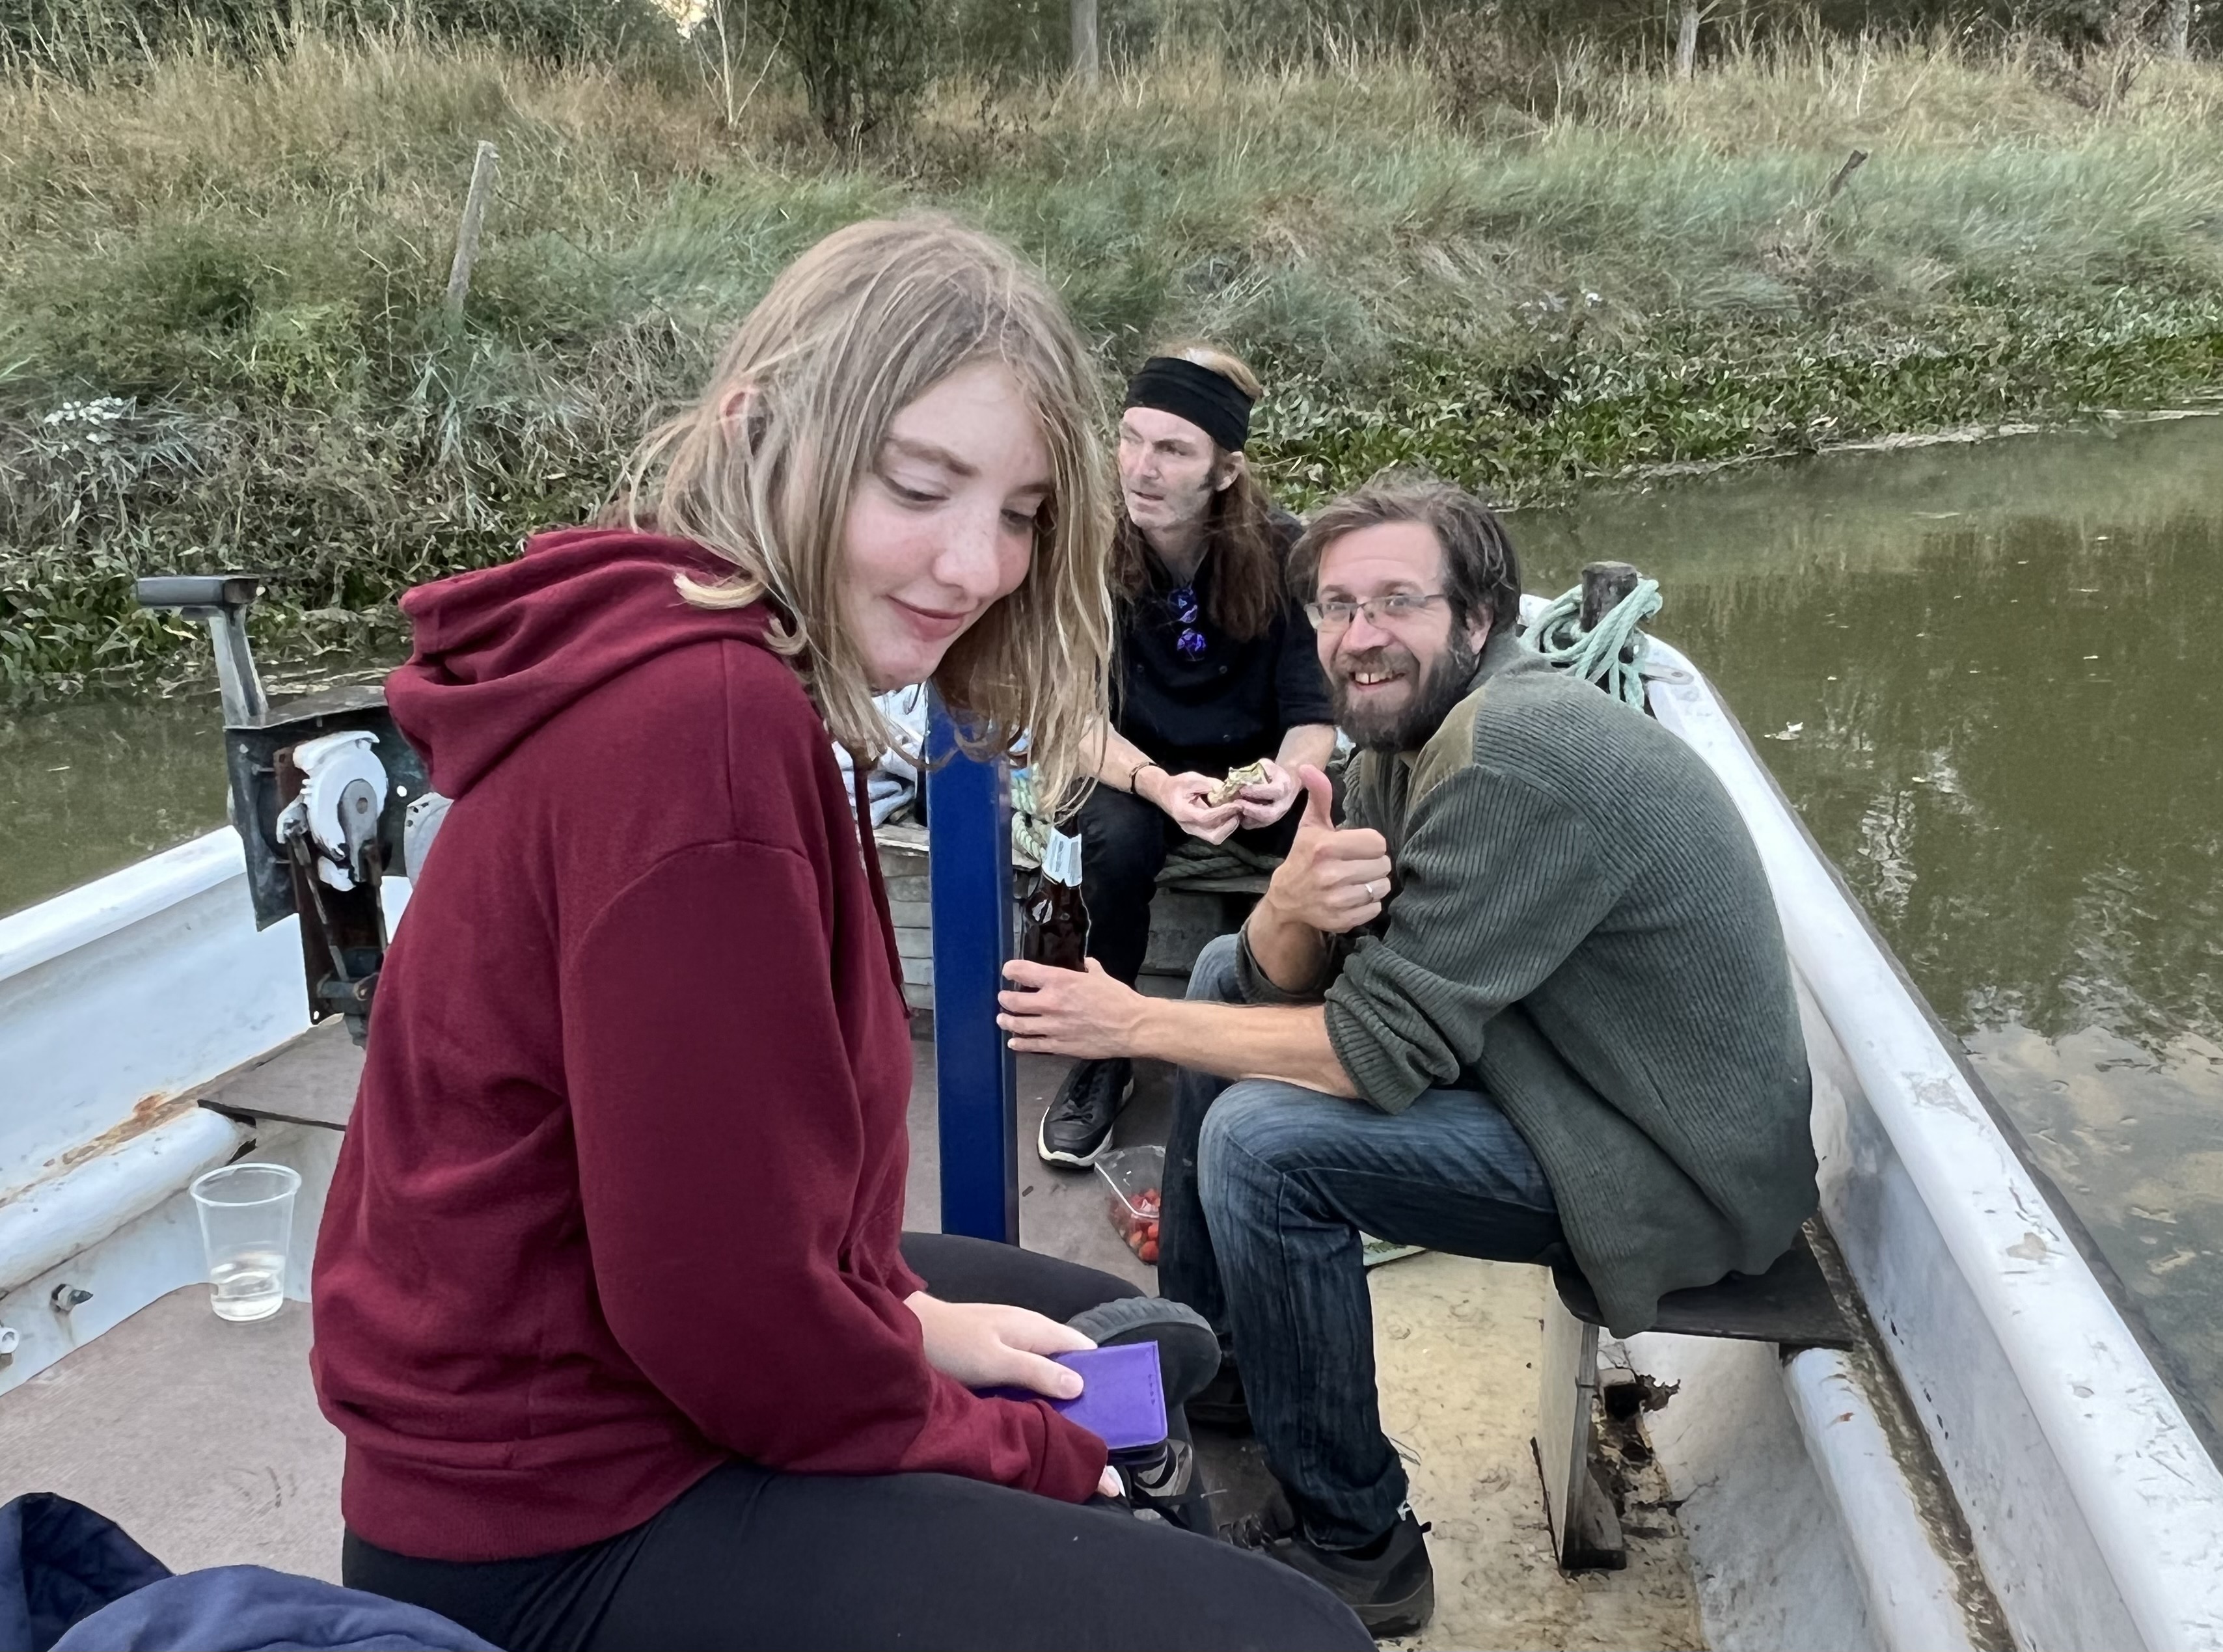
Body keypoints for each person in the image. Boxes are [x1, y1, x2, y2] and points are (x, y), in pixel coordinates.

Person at [310, 217, 1370, 1652]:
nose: (978, 564)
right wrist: (1033, 1464)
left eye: (1020, 512)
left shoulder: (690, 656)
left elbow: (739, 1220)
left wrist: (910, 1327)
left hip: (600, 1381)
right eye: (920, 486)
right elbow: (722, 1316)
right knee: (1280, 1630)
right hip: (560, 1509)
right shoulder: (703, 731)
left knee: (1119, 1340)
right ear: (760, 431)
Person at [999, 474, 1820, 1638]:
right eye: (1335, 607)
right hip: (1555, 1071)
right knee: (1233, 970)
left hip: (1666, 1160)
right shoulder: (1401, 739)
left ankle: (1358, 1544)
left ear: (1477, 617)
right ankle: (1225, 1361)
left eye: (1395, 601)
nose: (1357, 636)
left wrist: (1125, 1020)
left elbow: (1369, 1049)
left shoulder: (1512, 752)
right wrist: (1288, 897)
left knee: (1264, 1147)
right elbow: (1279, 975)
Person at [1037, 347, 1337, 1169]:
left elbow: (1315, 716)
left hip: (1250, 771)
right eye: (1130, 440)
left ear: (1225, 470)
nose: (1140, 468)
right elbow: (1067, 718)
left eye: (1171, 450)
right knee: (1115, 838)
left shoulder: (1284, 555)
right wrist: (1159, 785)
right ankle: (1104, 1054)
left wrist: (1283, 781)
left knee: (1331, 830)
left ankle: (1297, 1039)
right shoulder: (1084, 553)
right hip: (1129, 767)